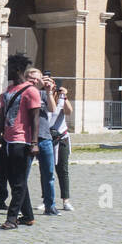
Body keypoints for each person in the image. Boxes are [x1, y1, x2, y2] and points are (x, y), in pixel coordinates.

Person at [0, 54, 41, 230]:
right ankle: (28, 216)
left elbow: (35, 119)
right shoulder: (8, 91)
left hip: (21, 141)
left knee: (19, 181)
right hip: (6, 140)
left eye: (8, 68)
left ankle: (12, 218)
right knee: (15, 180)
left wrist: (34, 142)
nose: (5, 72)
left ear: (16, 69)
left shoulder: (31, 91)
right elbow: (2, 114)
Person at [32, 69, 59, 215]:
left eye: (40, 78)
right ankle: (21, 206)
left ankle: (50, 205)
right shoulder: (25, 94)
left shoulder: (43, 94)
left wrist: (49, 91)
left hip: (45, 138)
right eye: (36, 79)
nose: (39, 81)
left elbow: (53, 109)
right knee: (23, 174)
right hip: (28, 139)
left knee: (49, 174)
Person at [50, 82, 73, 211]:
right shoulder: (44, 97)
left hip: (61, 137)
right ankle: (47, 198)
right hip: (47, 137)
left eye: (53, 85)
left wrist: (63, 96)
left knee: (63, 170)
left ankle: (66, 200)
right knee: (47, 171)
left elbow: (69, 111)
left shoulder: (61, 98)